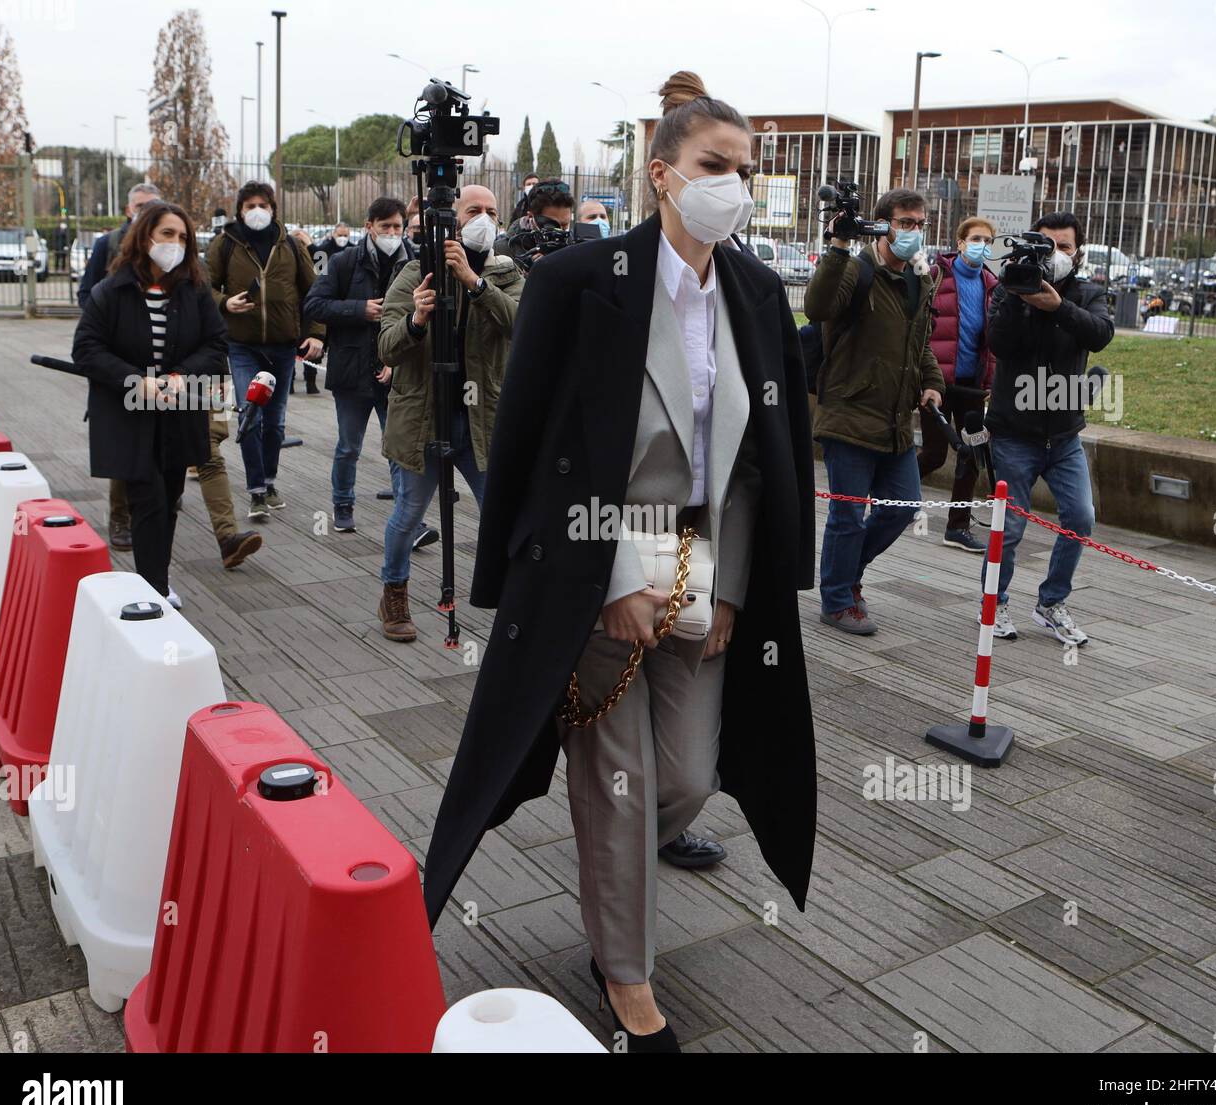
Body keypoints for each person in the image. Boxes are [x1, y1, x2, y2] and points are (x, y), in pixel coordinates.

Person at [419, 71, 816, 1053]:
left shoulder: (760, 295)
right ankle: (627, 979)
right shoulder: (578, 282)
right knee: (622, 779)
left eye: (746, 171)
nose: (732, 186)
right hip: (603, 554)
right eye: (713, 167)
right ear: (661, 175)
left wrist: (728, 588)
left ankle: (613, 894)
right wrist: (610, 578)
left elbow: (767, 459)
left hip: (708, 559)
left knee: (682, 777)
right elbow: (535, 441)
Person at [375, 183, 523, 642]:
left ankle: (512, 599)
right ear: (451, 221)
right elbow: (386, 346)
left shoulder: (505, 273)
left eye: (492, 211)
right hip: (423, 416)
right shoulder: (415, 273)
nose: (484, 217)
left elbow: (523, 324)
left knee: (500, 513)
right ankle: (394, 590)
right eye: (473, 210)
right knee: (409, 511)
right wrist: (415, 320)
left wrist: (474, 285)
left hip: (481, 418)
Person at [805, 187, 944, 636]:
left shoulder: (917, 279)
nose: (913, 232)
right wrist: (838, 246)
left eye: (919, 223)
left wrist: (932, 383)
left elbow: (917, 343)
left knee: (903, 506)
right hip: (848, 413)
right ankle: (838, 601)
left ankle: (845, 573)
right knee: (847, 515)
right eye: (905, 222)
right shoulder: (857, 269)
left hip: (895, 421)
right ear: (884, 224)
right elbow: (817, 306)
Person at [72, 202, 226, 603]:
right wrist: (137, 381)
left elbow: (216, 345)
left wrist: (179, 377)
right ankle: (153, 589)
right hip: (128, 416)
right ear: (144, 237)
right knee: (149, 500)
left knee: (170, 498)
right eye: (167, 234)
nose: (175, 244)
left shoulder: (194, 290)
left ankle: (156, 576)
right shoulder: (112, 290)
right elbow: (86, 349)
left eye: (183, 237)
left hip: (179, 412)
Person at [984, 210, 1114, 646]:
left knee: (1080, 517)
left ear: (1078, 253)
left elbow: (1099, 334)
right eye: (1047, 246)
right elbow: (998, 343)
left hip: (1063, 435)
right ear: (1029, 247)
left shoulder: (1087, 293)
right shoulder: (1010, 285)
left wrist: (1059, 308)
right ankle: (994, 602)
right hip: (1013, 432)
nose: (1056, 254)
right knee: (1012, 527)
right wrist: (1022, 299)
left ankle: (1051, 603)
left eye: (1065, 247)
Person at [206, 182, 324, 521]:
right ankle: (256, 491)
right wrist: (224, 302)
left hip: (284, 348)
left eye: (262, 204)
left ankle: (270, 481)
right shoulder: (224, 244)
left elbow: (313, 292)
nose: (256, 210)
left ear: (273, 208)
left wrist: (315, 334)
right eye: (249, 205)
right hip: (242, 346)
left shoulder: (289, 244)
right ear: (239, 210)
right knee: (250, 413)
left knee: (275, 422)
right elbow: (204, 286)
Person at [303, 197, 411, 534]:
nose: (393, 233)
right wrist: (358, 309)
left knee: (399, 449)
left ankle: (408, 514)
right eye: (385, 227)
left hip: (394, 371)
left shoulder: (415, 262)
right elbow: (315, 304)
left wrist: (399, 360)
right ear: (369, 227)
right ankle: (342, 503)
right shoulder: (344, 262)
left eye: (397, 226)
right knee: (349, 445)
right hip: (351, 370)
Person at [79, 182, 163, 555]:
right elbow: (87, 294)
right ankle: (119, 516)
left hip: (163, 368)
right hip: (121, 364)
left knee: (164, 439)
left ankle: (160, 498)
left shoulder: (169, 252)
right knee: (123, 443)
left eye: (153, 206)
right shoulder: (107, 245)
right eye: (141, 206)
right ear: (129, 210)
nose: (146, 212)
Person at [920, 216, 999, 553]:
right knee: (936, 454)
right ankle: (886, 494)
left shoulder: (992, 284)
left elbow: (992, 341)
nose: (982, 245)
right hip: (938, 382)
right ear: (961, 242)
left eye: (988, 240)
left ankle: (957, 527)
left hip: (972, 386)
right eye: (976, 238)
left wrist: (991, 382)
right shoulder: (937, 277)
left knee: (972, 453)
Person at [299, 221, 354, 395]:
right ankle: (310, 379)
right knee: (316, 343)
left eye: (346, 235)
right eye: (340, 235)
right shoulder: (323, 249)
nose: (343, 238)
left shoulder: (354, 249)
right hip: (326, 304)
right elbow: (319, 271)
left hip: (345, 304)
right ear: (333, 234)